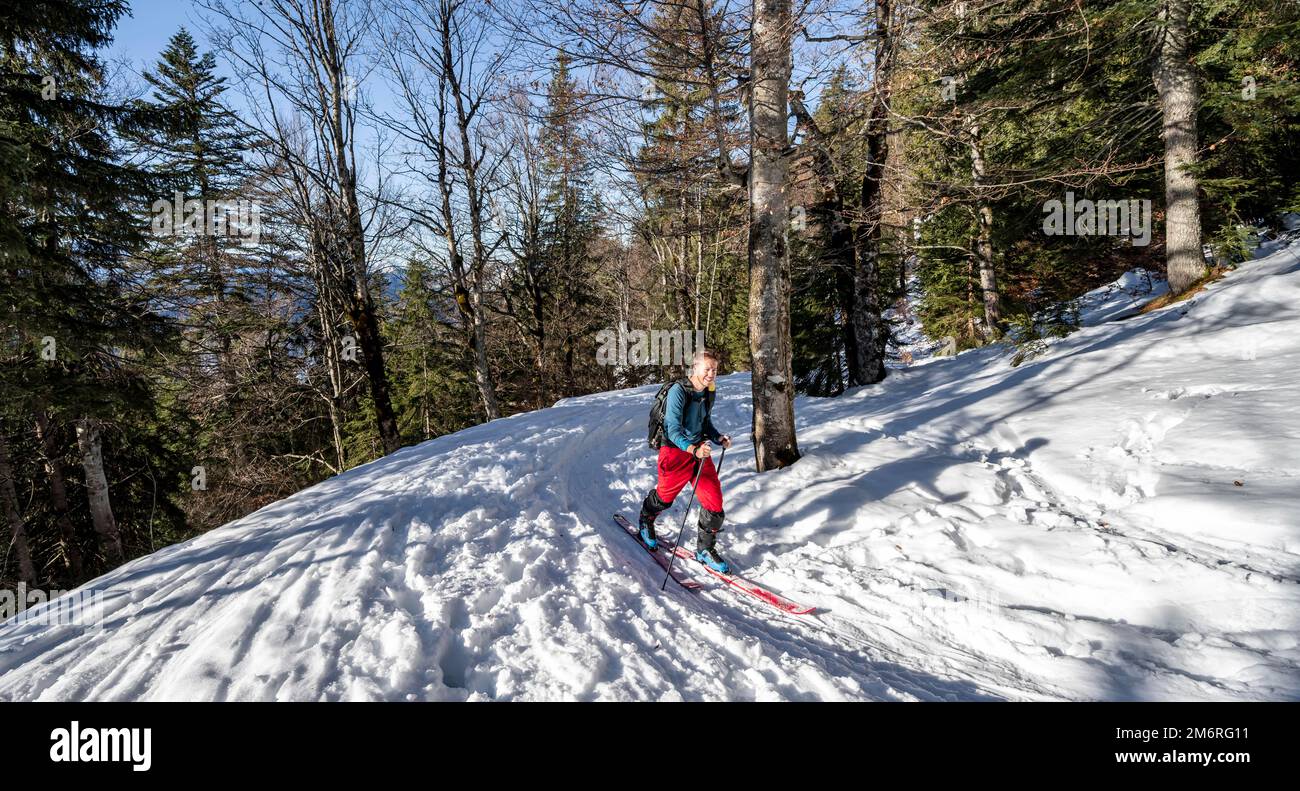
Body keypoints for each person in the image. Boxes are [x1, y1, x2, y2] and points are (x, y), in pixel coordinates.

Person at [638, 348, 733, 572]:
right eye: (707, 369)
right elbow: (672, 429)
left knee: (714, 502)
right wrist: (692, 449)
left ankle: (705, 550)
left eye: (714, 369)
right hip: (675, 452)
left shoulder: (709, 391)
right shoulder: (678, 391)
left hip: (700, 452)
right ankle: (646, 519)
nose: (711, 373)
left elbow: (705, 423)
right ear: (695, 367)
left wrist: (718, 437)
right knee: (664, 497)